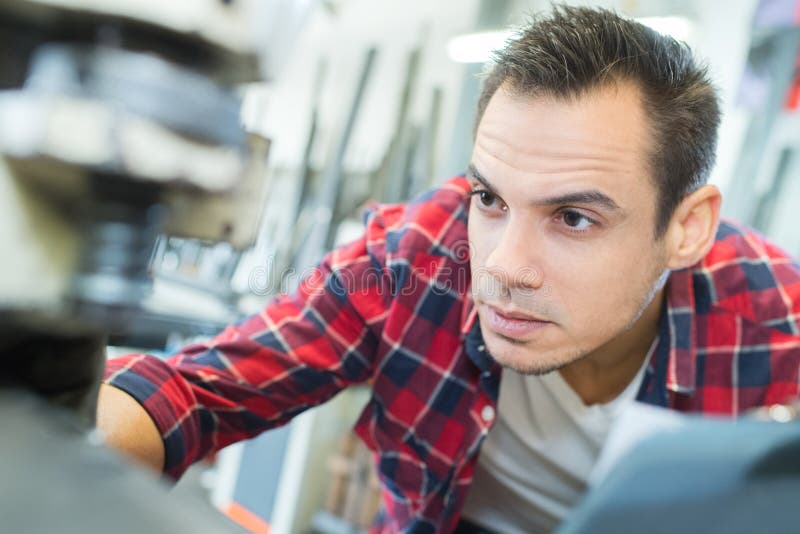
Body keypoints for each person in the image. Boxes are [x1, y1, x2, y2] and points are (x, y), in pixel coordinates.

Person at [97, 5, 800, 533]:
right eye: (489, 198)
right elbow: (196, 391)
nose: (502, 265)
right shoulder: (416, 258)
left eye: (574, 218)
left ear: (685, 228)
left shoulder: (777, 322)